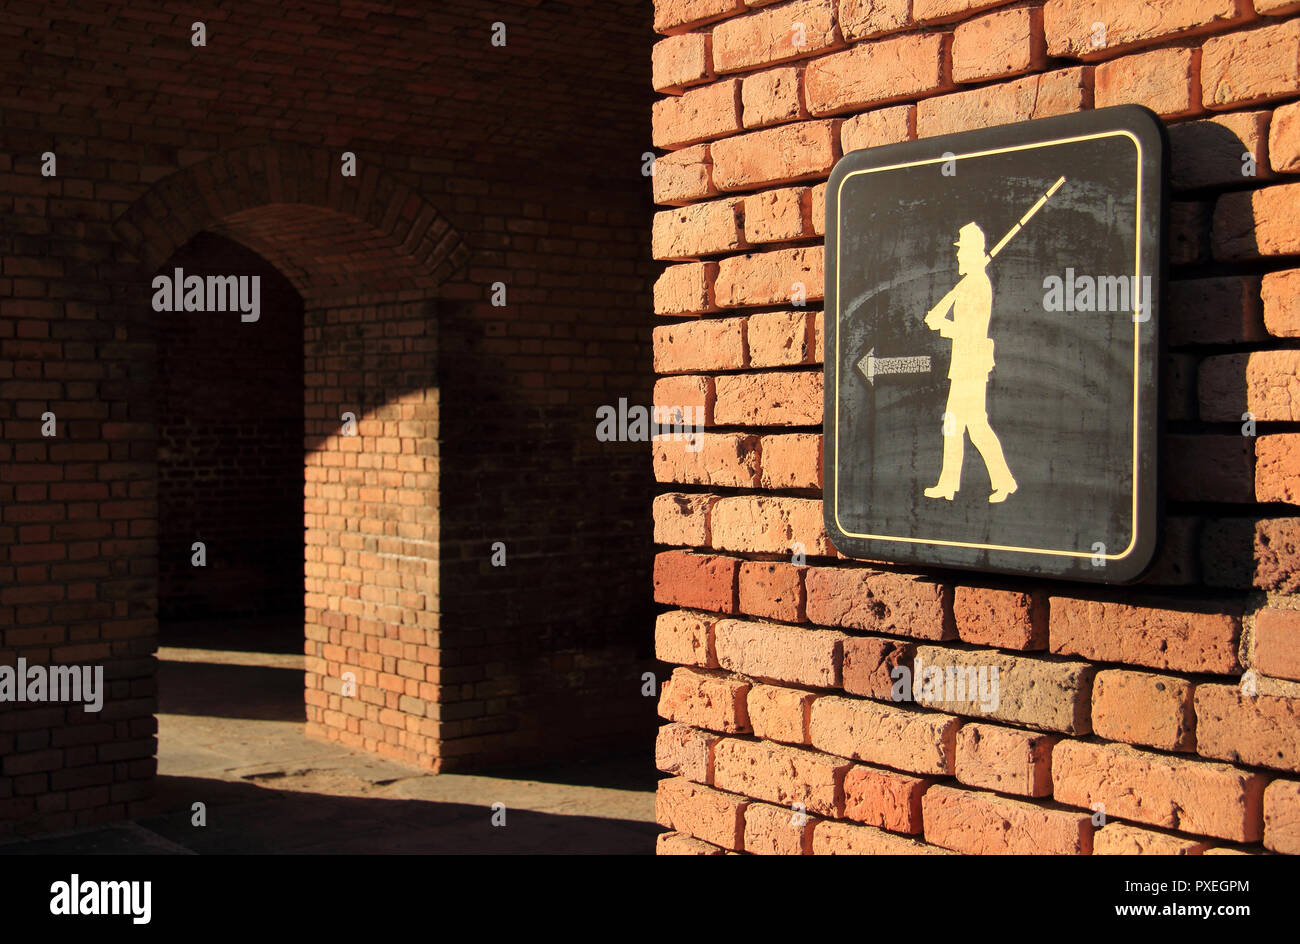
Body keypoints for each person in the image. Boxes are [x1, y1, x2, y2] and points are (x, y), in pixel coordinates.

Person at [922, 222, 1017, 504]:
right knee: (960, 426)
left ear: (975, 253)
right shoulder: (966, 284)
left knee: (972, 427)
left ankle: (1000, 481)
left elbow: (971, 331)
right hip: (964, 365)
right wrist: (941, 318)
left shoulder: (977, 285)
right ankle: (952, 483)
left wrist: (941, 325)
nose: (958, 256)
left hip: (971, 366)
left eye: (962, 251)